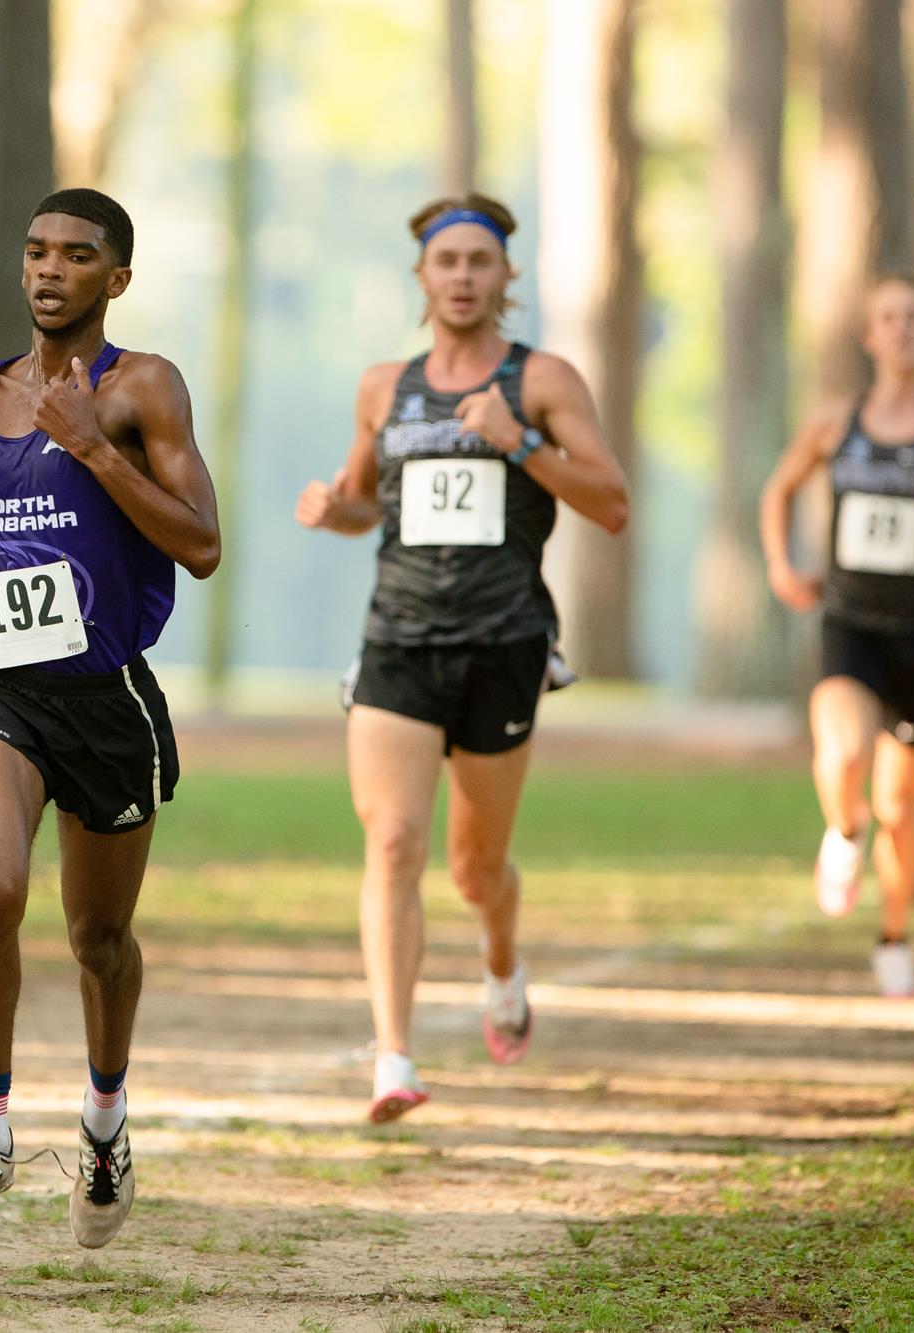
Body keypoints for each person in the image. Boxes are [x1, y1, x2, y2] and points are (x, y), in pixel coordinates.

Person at [0, 188, 220, 1244]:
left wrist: (93, 450)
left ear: (113, 279)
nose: (48, 270)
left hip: (105, 697)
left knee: (99, 939)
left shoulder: (143, 389)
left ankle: (105, 1120)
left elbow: (202, 544)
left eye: (76, 256)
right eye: (35, 250)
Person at [294, 194, 629, 1123]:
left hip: (504, 640)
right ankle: (393, 1057)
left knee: (476, 865)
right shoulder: (384, 386)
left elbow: (611, 503)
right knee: (393, 840)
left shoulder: (543, 380)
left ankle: (500, 957)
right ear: (423, 277)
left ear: (506, 277)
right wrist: (334, 509)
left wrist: (518, 441)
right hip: (398, 636)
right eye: (447, 261)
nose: (464, 276)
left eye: (481, 261)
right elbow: (367, 502)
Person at [759, 273, 914, 996]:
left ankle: (894, 932)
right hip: (849, 620)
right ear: (868, 335)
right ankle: (841, 831)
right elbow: (779, 487)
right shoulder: (838, 421)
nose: (900, 330)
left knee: (902, 807)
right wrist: (780, 564)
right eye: (887, 318)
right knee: (841, 750)